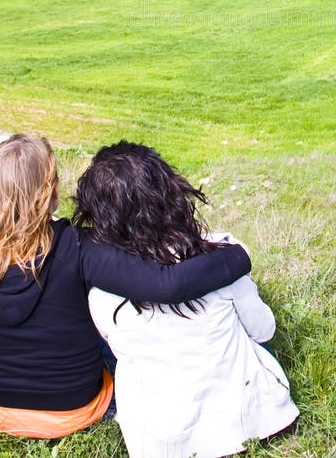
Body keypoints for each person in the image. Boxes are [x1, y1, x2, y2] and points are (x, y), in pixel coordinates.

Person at [0, 134, 251, 440]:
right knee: (99, 302)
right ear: (49, 193)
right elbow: (166, 284)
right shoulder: (78, 247)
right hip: (76, 409)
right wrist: (238, 255)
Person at [74, 141, 299, 458]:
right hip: (255, 419)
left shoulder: (101, 295)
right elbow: (264, 330)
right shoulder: (217, 257)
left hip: (163, 440)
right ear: (169, 193)